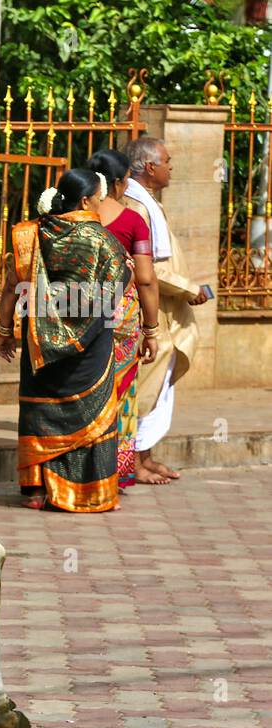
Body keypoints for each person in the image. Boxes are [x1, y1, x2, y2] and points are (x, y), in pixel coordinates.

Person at [0, 168, 137, 513]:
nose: (103, 206)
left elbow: (14, 282)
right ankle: (91, 493)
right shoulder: (101, 240)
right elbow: (121, 281)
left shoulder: (33, 233)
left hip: (39, 341)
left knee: (40, 409)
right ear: (87, 200)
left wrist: (3, 330)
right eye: (100, 199)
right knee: (92, 413)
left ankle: (36, 492)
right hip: (89, 343)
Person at [121, 136, 209, 483]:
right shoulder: (137, 205)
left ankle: (146, 455)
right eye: (167, 161)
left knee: (158, 386)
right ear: (150, 167)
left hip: (166, 306)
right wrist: (190, 288)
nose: (172, 167)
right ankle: (134, 462)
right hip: (151, 311)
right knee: (145, 386)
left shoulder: (148, 202)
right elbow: (151, 270)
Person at [88, 148, 161, 489]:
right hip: (122, 318)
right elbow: (145, 279)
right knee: (122, 389)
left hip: (79, 312)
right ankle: (116, 469)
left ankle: (81, 468)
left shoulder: (76, 215)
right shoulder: (133, 221)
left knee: (85, 388)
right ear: (120, 183)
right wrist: (151, 329)